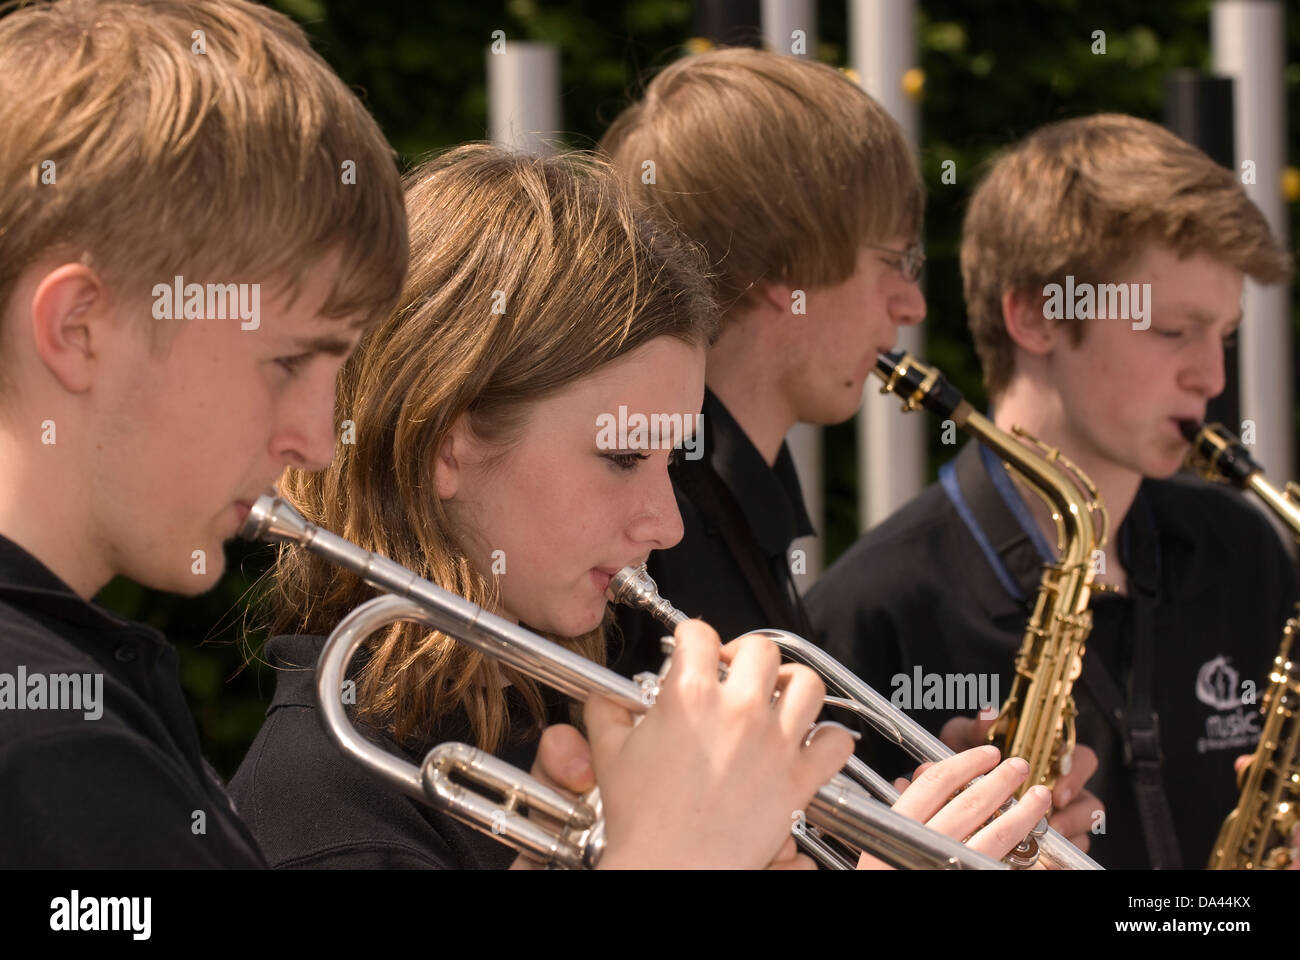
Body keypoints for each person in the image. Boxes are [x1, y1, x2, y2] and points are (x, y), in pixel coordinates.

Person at [0, 0, 849, 872]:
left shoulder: (93, 693)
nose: (319, 441)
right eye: (287, 360)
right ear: (78, 330)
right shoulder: (44, 740)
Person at [230, 143, 1052, 870]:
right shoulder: (332, 812)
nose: (667, 523)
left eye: (670, 461)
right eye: (623, 456)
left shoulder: (596, 705)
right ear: (450, 442)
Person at [598, 46, 1096, 853]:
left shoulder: (723, 504)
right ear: (781, 267)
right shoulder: (661, 533)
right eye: (892, 261)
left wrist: (933, 785)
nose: (911, 300)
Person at [807, 114, 1297, 869]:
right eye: (1173, 331)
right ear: (1037, 314)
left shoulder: (1244, 550)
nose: (1213, 378)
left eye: (1222, 335)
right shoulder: (871, 612)